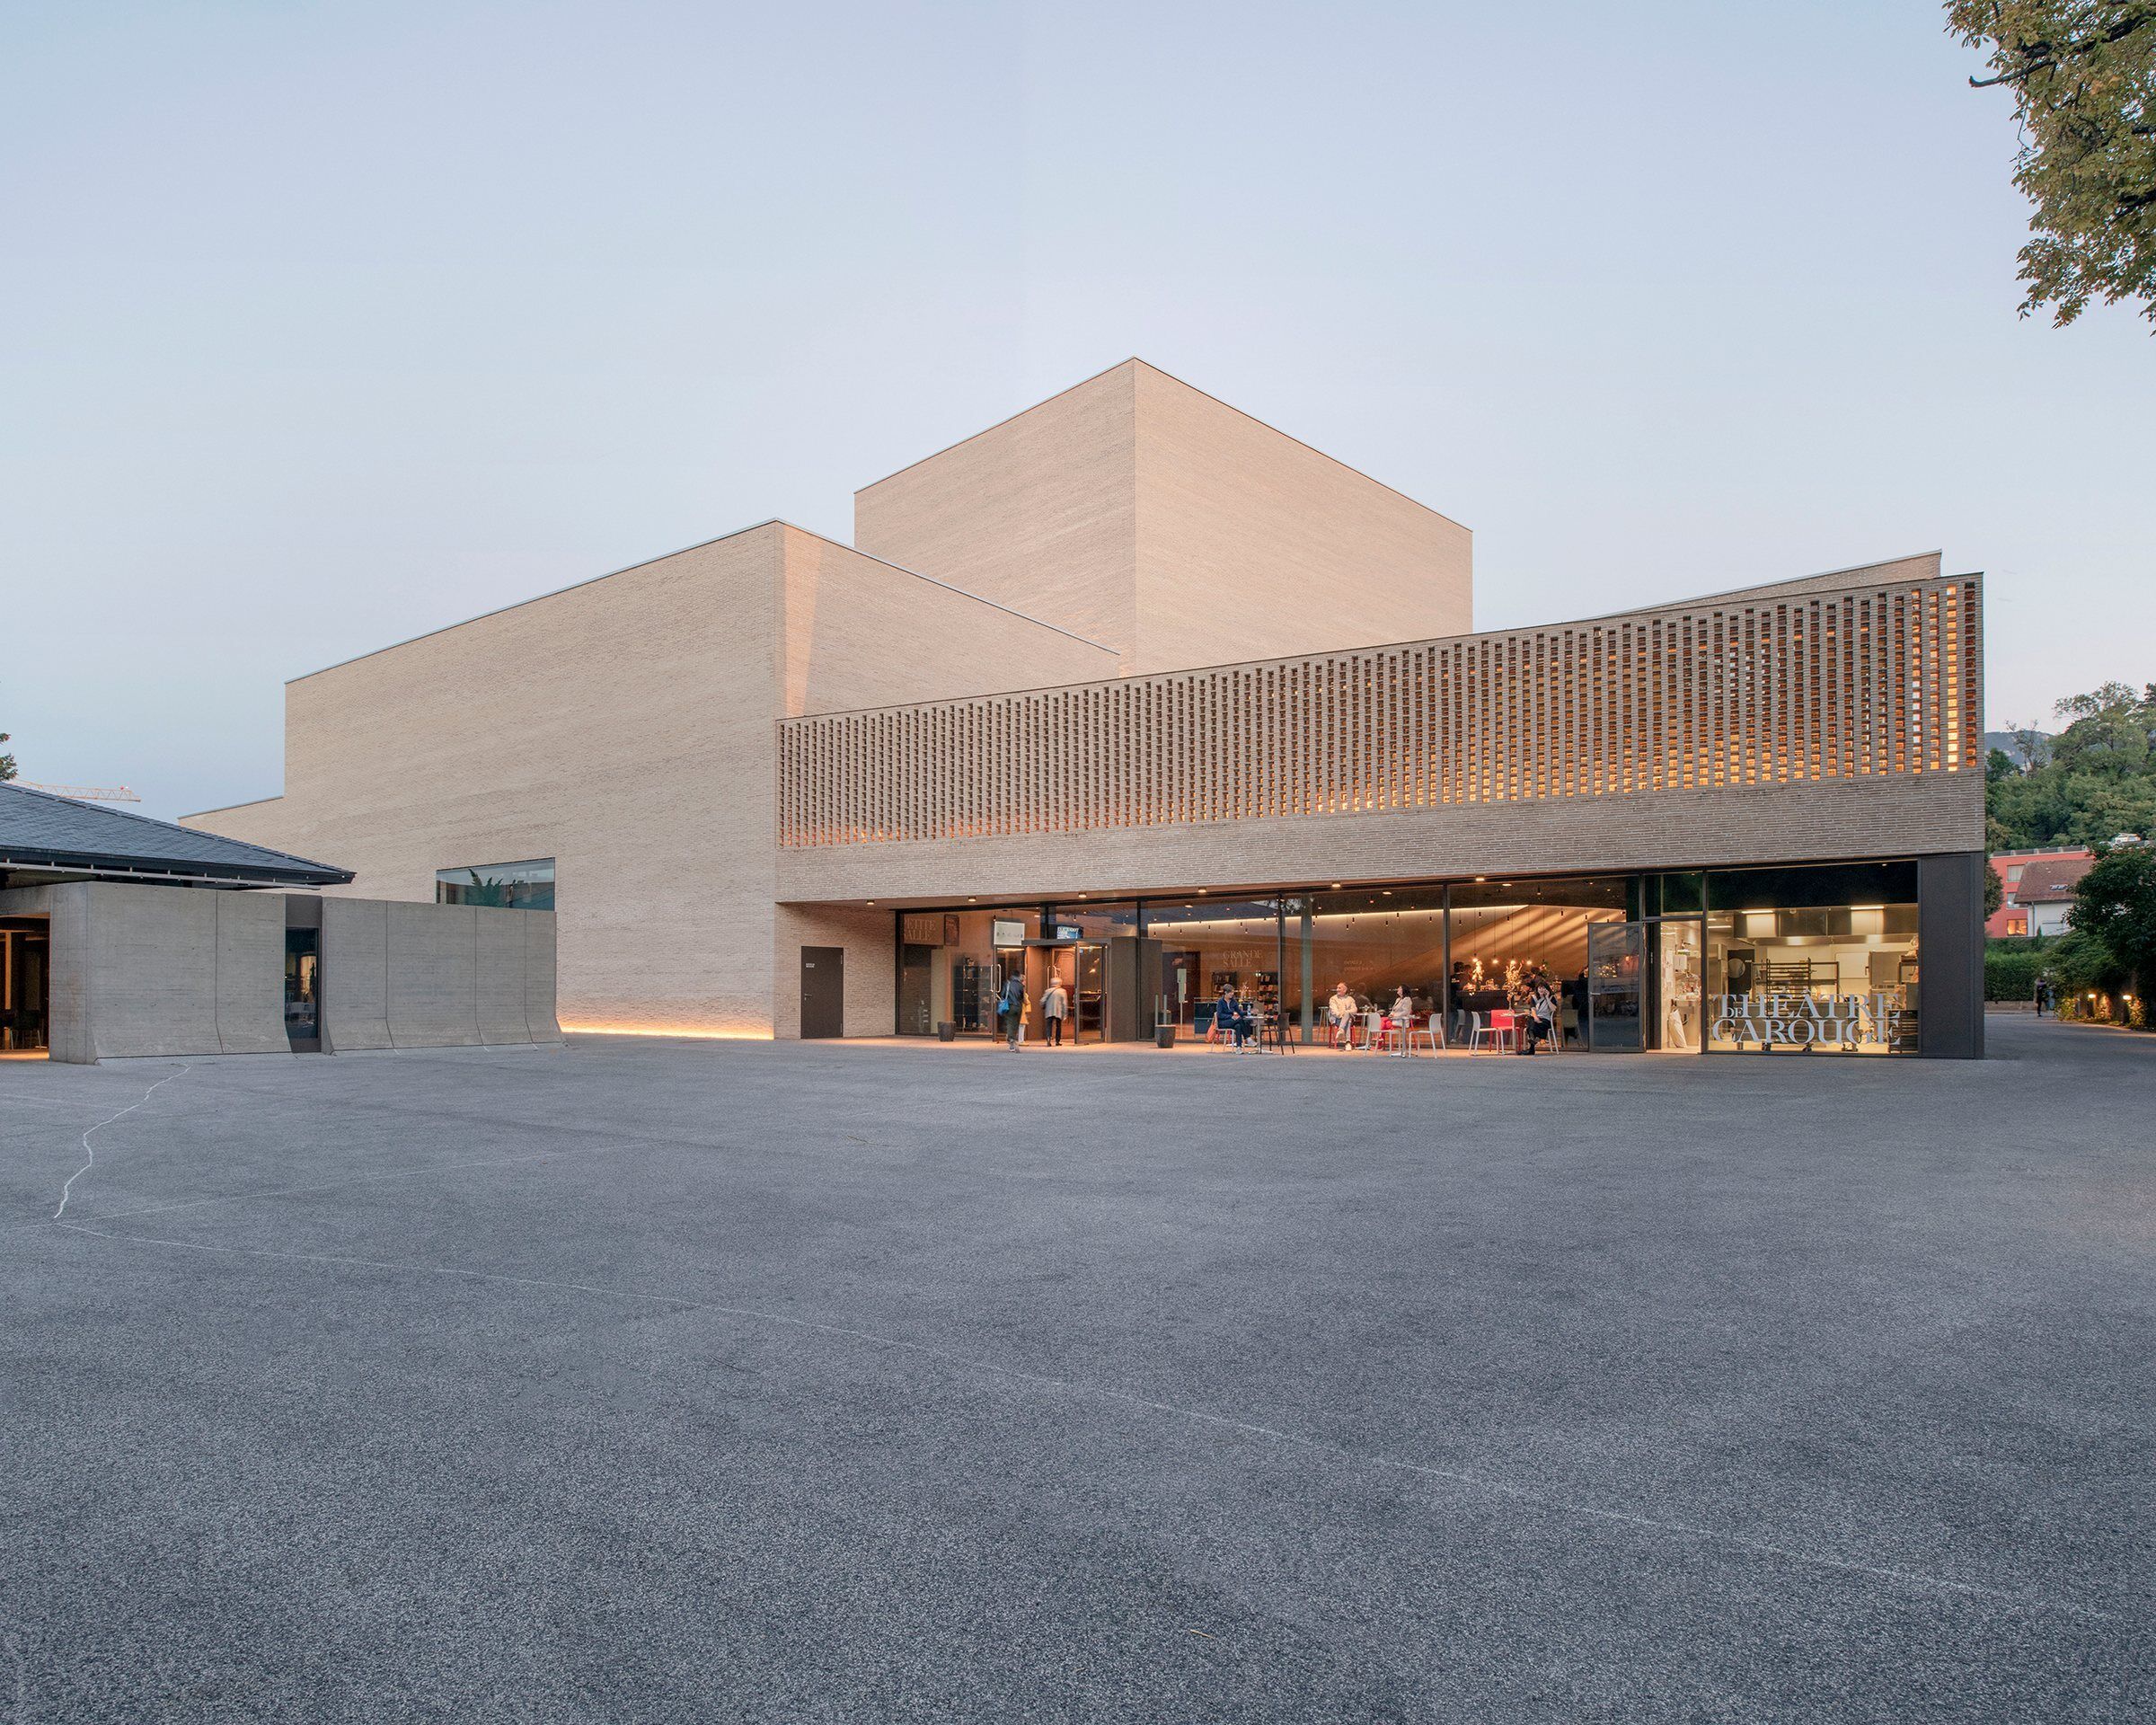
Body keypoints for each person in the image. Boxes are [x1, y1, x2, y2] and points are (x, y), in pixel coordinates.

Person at [1523, 978, 1558, 1053]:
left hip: (1545, 1019)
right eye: (1540, 988)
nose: (1541, 989)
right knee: (1530, 1020)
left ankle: (1532, 1045)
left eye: (1543, 988)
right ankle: (1533, 1039)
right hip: (1535, 1018)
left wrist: (1547, 998)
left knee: (1531, 1026)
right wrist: (1535, 1018)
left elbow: (1553, 1009)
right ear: (1537, 989)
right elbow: (1533, 1009)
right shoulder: (1534, 998)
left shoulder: (1552, 997)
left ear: (1547, 989)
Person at [1327, 981, 1359, 1049]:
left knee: (1347, 1016)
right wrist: (1344, 1016)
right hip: (1337, 1020)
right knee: (1347, 1020)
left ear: (1345, 990)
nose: (1337, 989)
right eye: (1337, 988)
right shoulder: (1333, 999)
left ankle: (1341, 1030)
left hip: (1348, 1019)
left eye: (1339, 988)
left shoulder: (1350, 999)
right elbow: (1334, 1011)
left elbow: (1354, 1010)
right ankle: (1348, 1043)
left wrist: (1346, 1014)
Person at [1040, 971, 1069, 1045]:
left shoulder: (1047, 991)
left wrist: (1042, 1006)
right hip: (1058, 1011)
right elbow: (1064, 1003)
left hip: (1049, 1011)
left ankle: (1048, 1039)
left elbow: (1042, 1000)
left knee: (1049, 1026)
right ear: (1060, 983)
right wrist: (1065, 1014)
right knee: (1058, 1026)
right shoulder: (1062, 991)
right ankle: (1057, 1041)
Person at [1000, 971, 1027, 1050]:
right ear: (1018, 977)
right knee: (1016, 1023)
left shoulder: (1007, 984)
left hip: (1010, 1006)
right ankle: (1013, 1038)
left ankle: (1011, 1039)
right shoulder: (1020, 985)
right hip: (1018, 1007)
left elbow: (1003, 995)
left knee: (1010, 1022)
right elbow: (1022, 997)